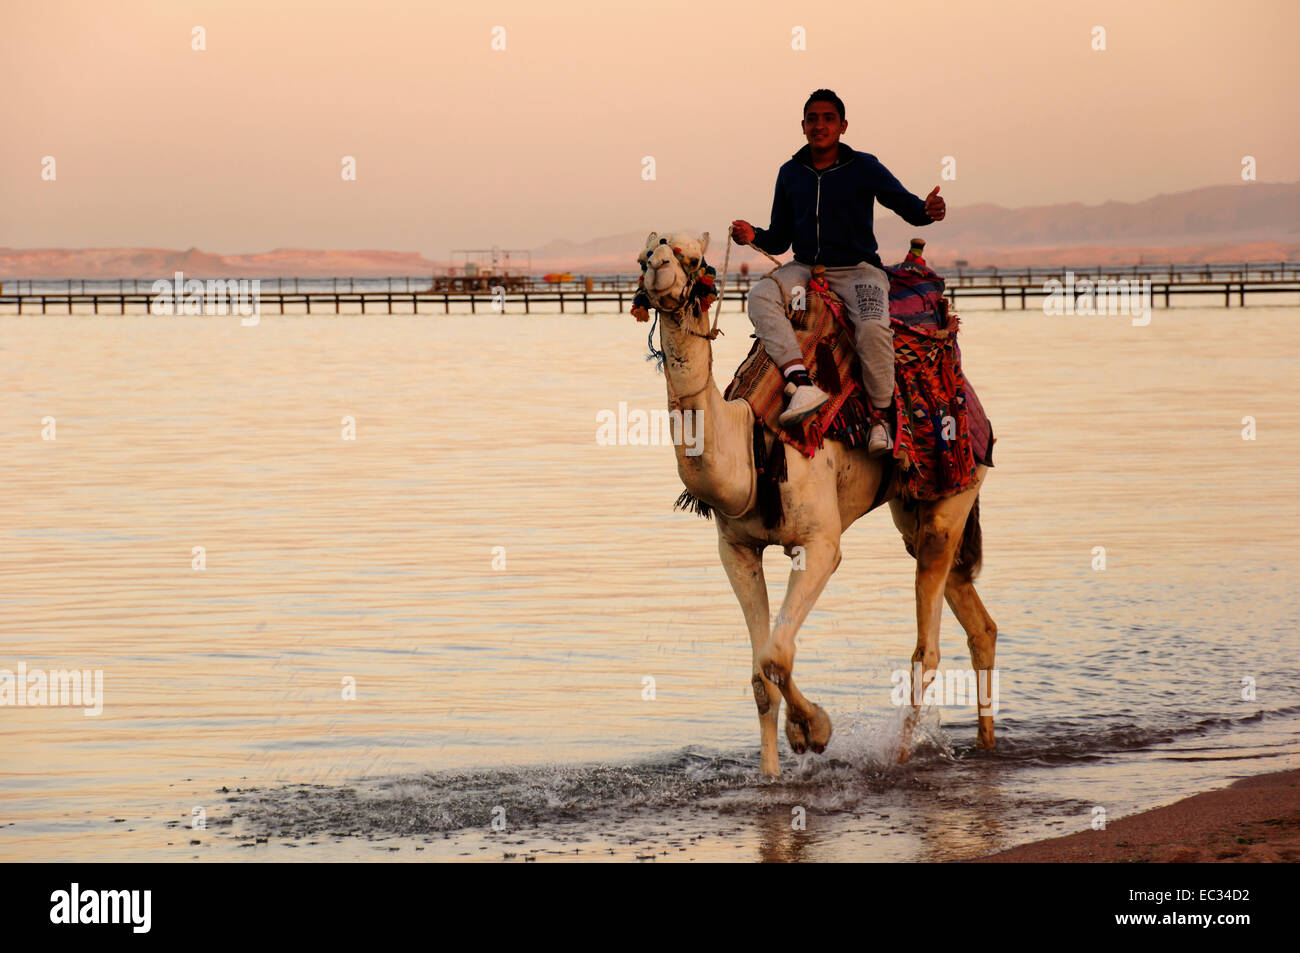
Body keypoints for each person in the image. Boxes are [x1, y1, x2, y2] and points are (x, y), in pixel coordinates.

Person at [732, 88, 946, 453]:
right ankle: (800, 384)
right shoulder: (790, 173)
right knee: (761, 295)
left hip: (858, 270)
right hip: (804, 268)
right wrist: (754, 236)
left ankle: (880, 420)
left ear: (843, 126)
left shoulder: (864, 167)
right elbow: (780, 237)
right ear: (802, 126)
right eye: (812, 119)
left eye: (828, 119)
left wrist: (928, 210)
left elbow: (905, 205)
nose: (820, 126)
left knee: (873, 327)